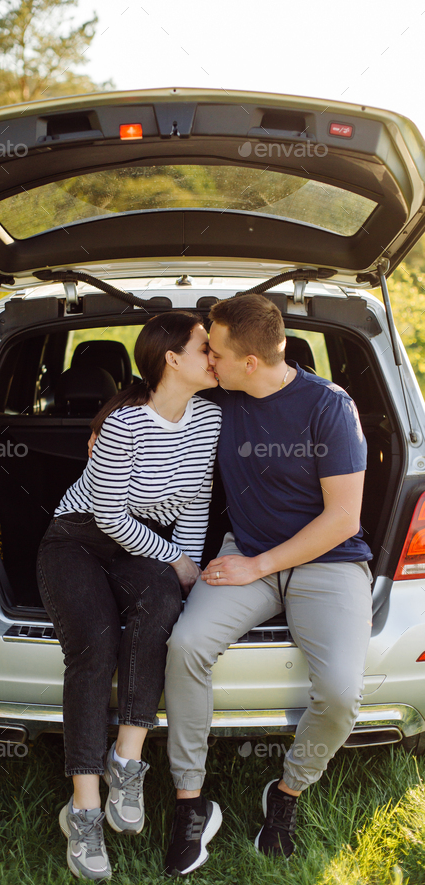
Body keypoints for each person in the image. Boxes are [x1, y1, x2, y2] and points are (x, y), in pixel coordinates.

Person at [163, 293, 373, 876]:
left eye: (216, 351)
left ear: (249, 363)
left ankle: (285, 794)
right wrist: (110, 428)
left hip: (326, 561)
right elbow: (156, 396)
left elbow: (343, 519)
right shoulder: (222, 396)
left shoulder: (329, 406)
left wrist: (260, 567)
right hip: (246, 554)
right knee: (185, 647)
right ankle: (190, 801)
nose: (208, 359)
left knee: (339, 693)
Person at [36, 311, 222, 881]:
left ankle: (128, 759)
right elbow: (111, 516)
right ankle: (84, 811)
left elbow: (193, 500)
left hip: (138, 548)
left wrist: (182, 571)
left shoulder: (210, 417)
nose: (214, 359)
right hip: (78, 538)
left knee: (163, 604)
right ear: (172, 360)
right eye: (205, 350)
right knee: (92, 641)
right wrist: (174, 558)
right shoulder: (124, 424)